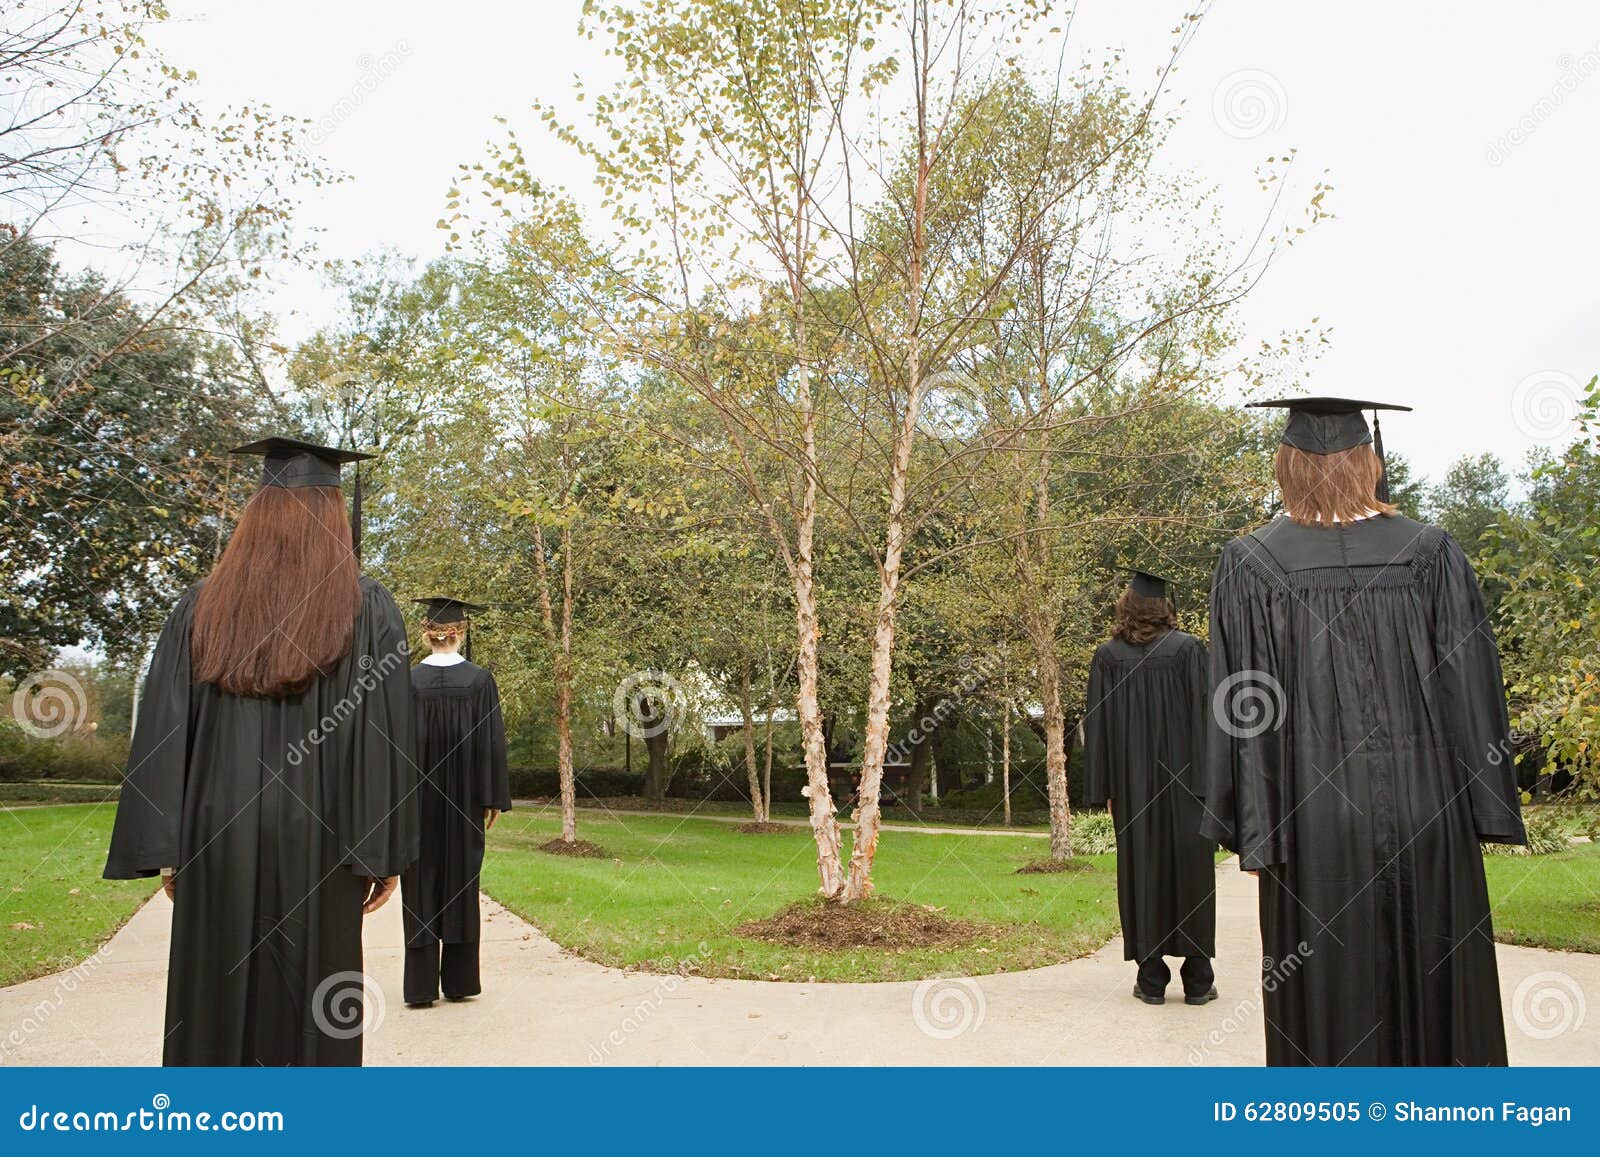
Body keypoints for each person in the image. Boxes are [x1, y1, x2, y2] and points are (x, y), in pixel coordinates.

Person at [1202, 397, 1525, 1066]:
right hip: (1429, 813)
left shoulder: (1249, 563)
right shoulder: (1432, 552)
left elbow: (1242, 709)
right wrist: (1483, 803)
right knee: (1439, 994)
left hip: (1312, 824)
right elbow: (1472, 687)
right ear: (1369, 462)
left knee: (1326, 1011)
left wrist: (1257, 822)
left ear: (1287, 464)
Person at [104, 436, 418, 1066]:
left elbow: (167, 728)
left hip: (217, 831)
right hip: (322, 837)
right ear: (334, 516)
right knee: (315, 1002)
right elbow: (383, 736)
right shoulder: (367, 607)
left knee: (214, 988)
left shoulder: (202, 607)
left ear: (254, 517)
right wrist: (378, 850)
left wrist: (169, 844)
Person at [1083, 568, 1216, 1006]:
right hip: (1188, 786)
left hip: (1132, 788)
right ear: (1164, 608)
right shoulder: (1190, 650)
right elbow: (1209, 721)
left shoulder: (1107, 657)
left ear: (1126, 607)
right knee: (1192, 875)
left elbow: (1097, 728)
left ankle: (1152, 978)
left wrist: (1103, 788)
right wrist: (1213, 783)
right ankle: (1198, 980)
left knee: (1142, 871)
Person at [401, 597, 511, 1009]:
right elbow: (490, 744)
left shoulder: (406, 683)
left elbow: (393, 747)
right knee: (462, 884)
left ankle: (420, 987)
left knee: (419, 884)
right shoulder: (480, 681)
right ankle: (461, 981)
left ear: (425, 632)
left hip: (415, 803)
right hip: (464, 802)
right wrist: (491, 797)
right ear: (461, 631)